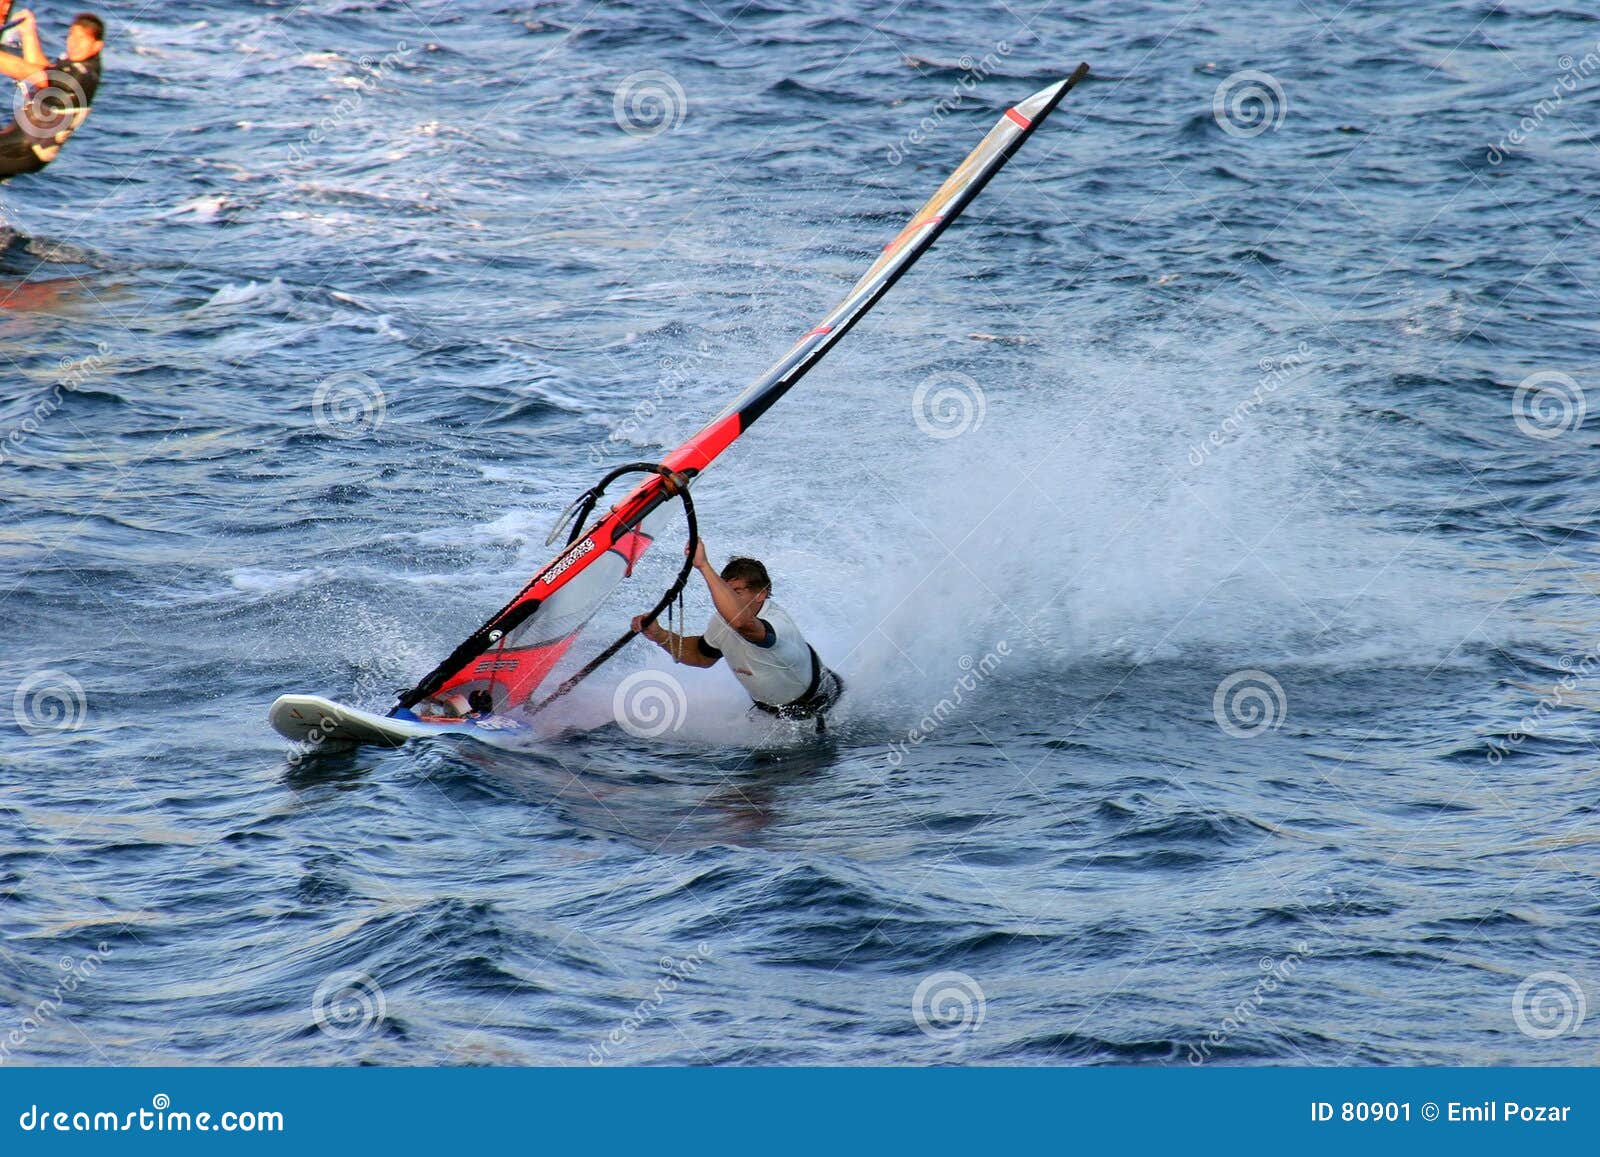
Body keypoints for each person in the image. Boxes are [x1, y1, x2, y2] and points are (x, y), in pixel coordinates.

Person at [634, 543, 844, 729]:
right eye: (725, 592)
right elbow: (700, 656)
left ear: (761, 593)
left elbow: (743, 624)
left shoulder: (777, 623)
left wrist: (704, 566)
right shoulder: (721, 622)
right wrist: (659, 635)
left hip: (825, 702)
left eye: (736, 592)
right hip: (773, 714)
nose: (727, 600)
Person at [0, 9, 104, 179]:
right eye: (72, 36)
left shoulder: (80, 76)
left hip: (22, 149)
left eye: (82, 39)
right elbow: (41, 68)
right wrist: (28, 32)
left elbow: (24, 70)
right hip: (20, 146)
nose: (75, 43)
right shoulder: (77, 66)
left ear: (97, 46)